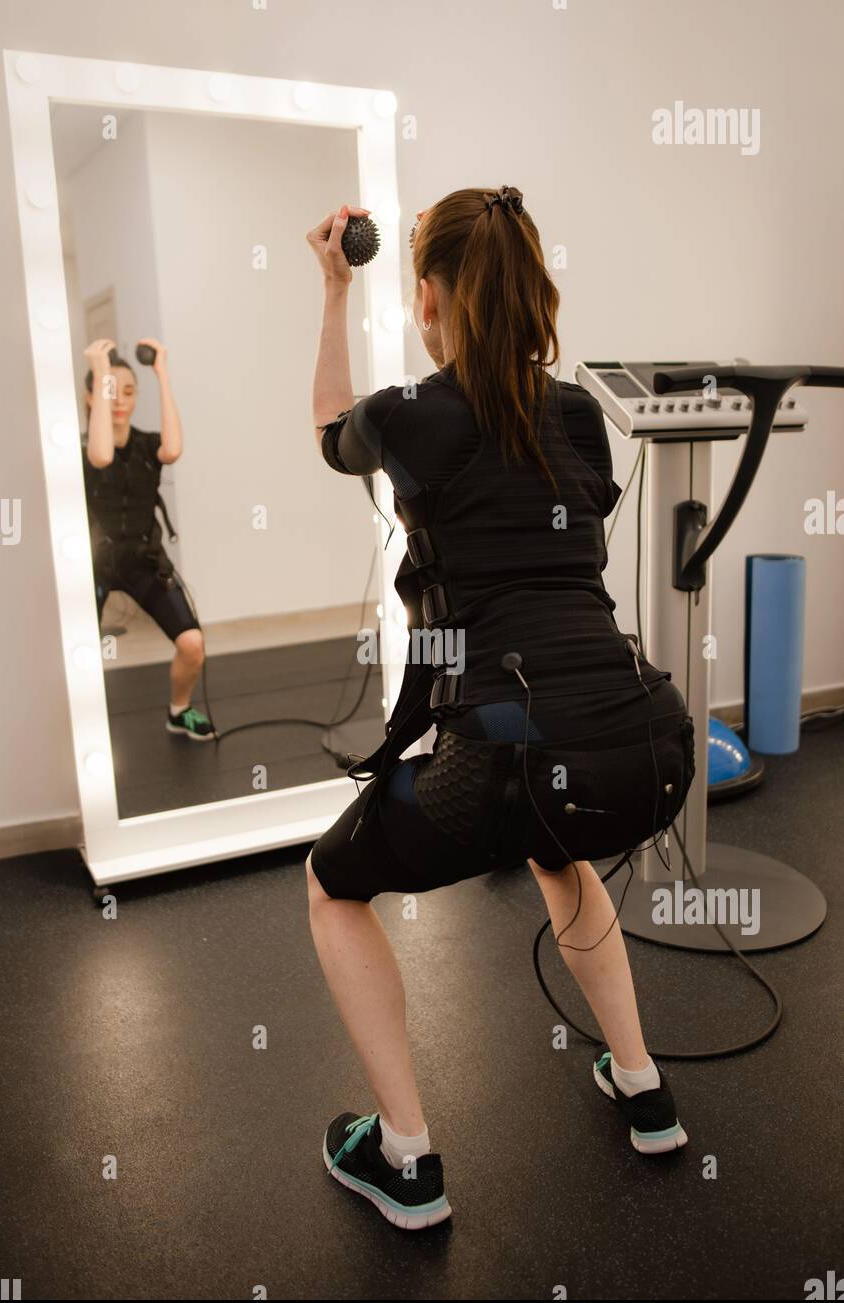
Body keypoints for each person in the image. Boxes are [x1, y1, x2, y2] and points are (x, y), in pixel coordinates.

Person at [304, 189, 696, 1230]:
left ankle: (408, 1160)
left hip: (515, 756)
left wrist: (335, 289)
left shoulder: (404, 417)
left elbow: (328, 431)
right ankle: (644, 1085)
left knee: (331, 883)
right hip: (652, 744)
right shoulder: (577, 413)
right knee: (554, 848)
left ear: (428, 298)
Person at [82, 338, 215, 740]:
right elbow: (102, 455)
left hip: (144, 559)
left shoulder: (146, 445)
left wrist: (161, 373)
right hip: (93, 564)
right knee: (77, 657)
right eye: (108, 391)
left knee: (192, 642)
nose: (120, 399)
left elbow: (173, 448)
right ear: (91, 397)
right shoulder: (85, 446)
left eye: (128, 391)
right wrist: (102, 371)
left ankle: (179, 711)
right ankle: (81, 729)